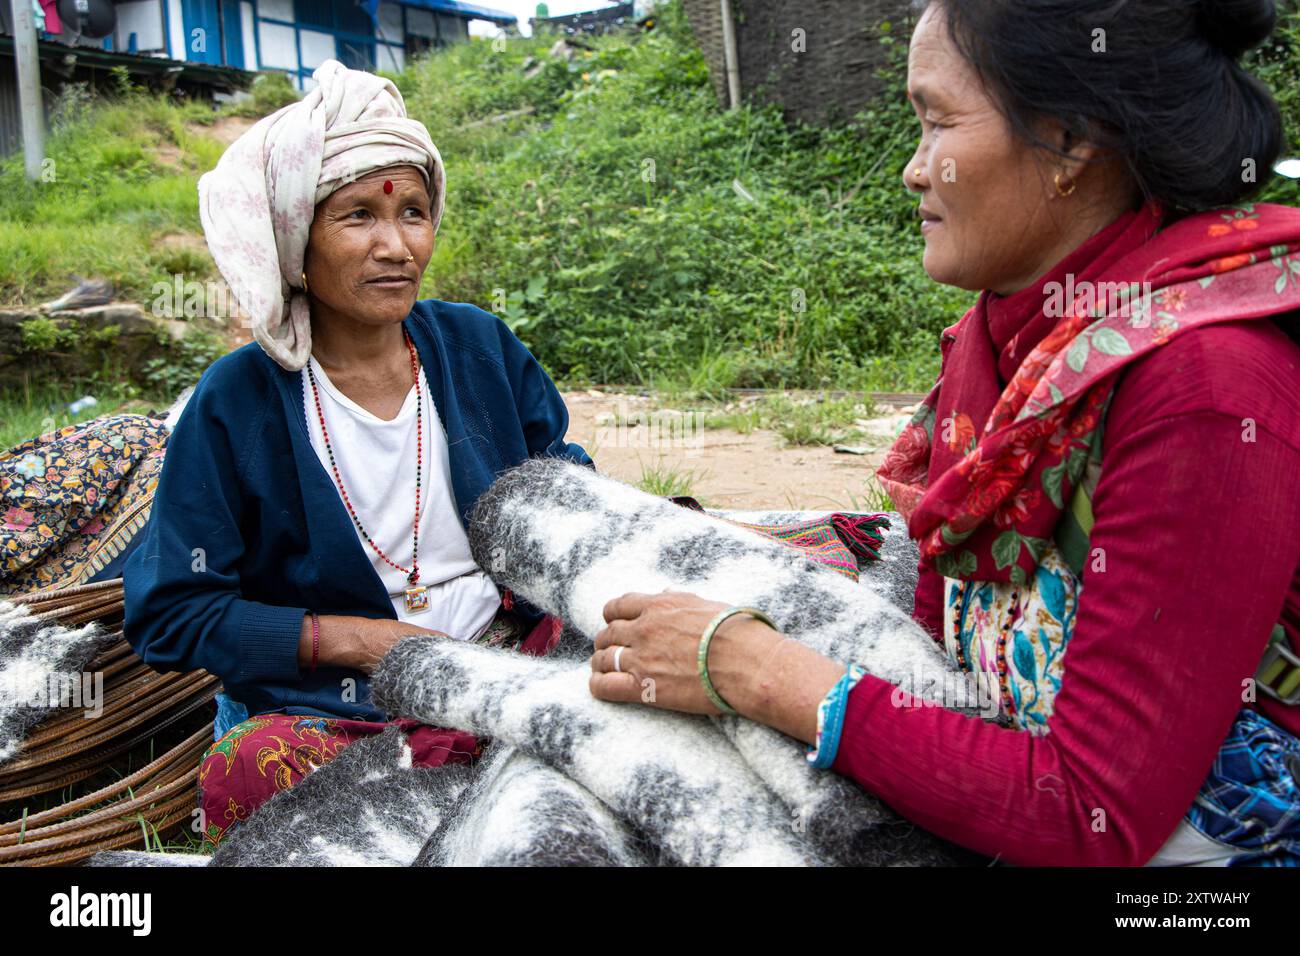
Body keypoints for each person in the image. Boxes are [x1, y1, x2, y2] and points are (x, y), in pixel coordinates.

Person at [588, 0, 1300, 866]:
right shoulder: (1011, 352)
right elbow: (936, 650)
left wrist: (753, 669)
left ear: (1072, 141)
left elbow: (1090, 814)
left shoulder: (1205, 389)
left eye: (935, 123)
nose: (912, 171)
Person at [122, 60, 587, 846]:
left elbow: (565, 492)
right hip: (339, 706)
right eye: (358, 218)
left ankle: (493, 757)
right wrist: (362, 641)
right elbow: (173, 611)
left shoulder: (478, 347)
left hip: (508, 666)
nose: (396, 245)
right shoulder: (237, 401)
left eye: (414, 211)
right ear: (296, 243)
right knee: (250, 767)